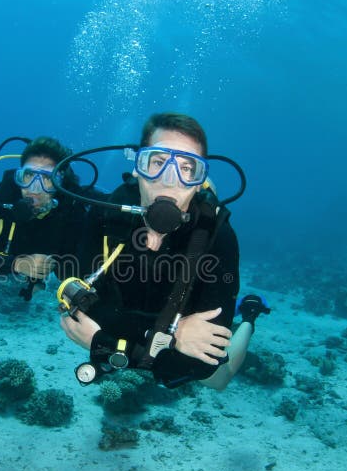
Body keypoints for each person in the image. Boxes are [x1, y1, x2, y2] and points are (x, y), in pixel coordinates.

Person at [59, 112, 268, 389]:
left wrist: (103, 340)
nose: (169, 180)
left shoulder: (217, 237)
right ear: (138, 167)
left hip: (162, 330)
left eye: (186, 168)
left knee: (219, 379)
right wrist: (174, 334)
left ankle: (250, 316)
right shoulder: (105, 217)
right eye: (157, 162)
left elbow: (198, 367)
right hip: (168, 335)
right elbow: (73, 304)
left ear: (198, 180)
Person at [0, 136, 86, 297]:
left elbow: (84, 262)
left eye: (47, 178)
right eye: (28, 175)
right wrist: (17, 264)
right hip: (16, 258)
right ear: (19, 176)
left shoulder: (72, 205)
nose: (35, 189)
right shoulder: (3, 198)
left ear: (59, 183)